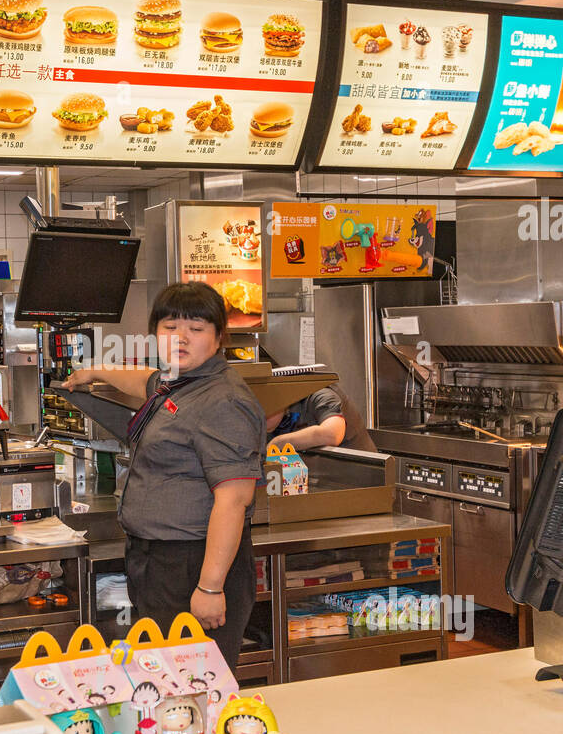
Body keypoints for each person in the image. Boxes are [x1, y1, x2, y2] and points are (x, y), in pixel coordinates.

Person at [62, 282, 264, 669]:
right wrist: (91, 373)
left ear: (219, 337)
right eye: (170, 327)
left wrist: (210, 586)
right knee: (165, 686)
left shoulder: (224, 401)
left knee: (195, 686)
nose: (181, 338)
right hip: (157, 562)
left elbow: (234, 499)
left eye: (197, 328)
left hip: (193, 564)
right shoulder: (180, 383)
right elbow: (145, 380)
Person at [265, 382, 377, 453]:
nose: (260, 420)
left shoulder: (321, 395)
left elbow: (332, 434)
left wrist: (278, 443)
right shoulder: (274, 420)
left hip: (360, 478)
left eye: (265, 411)